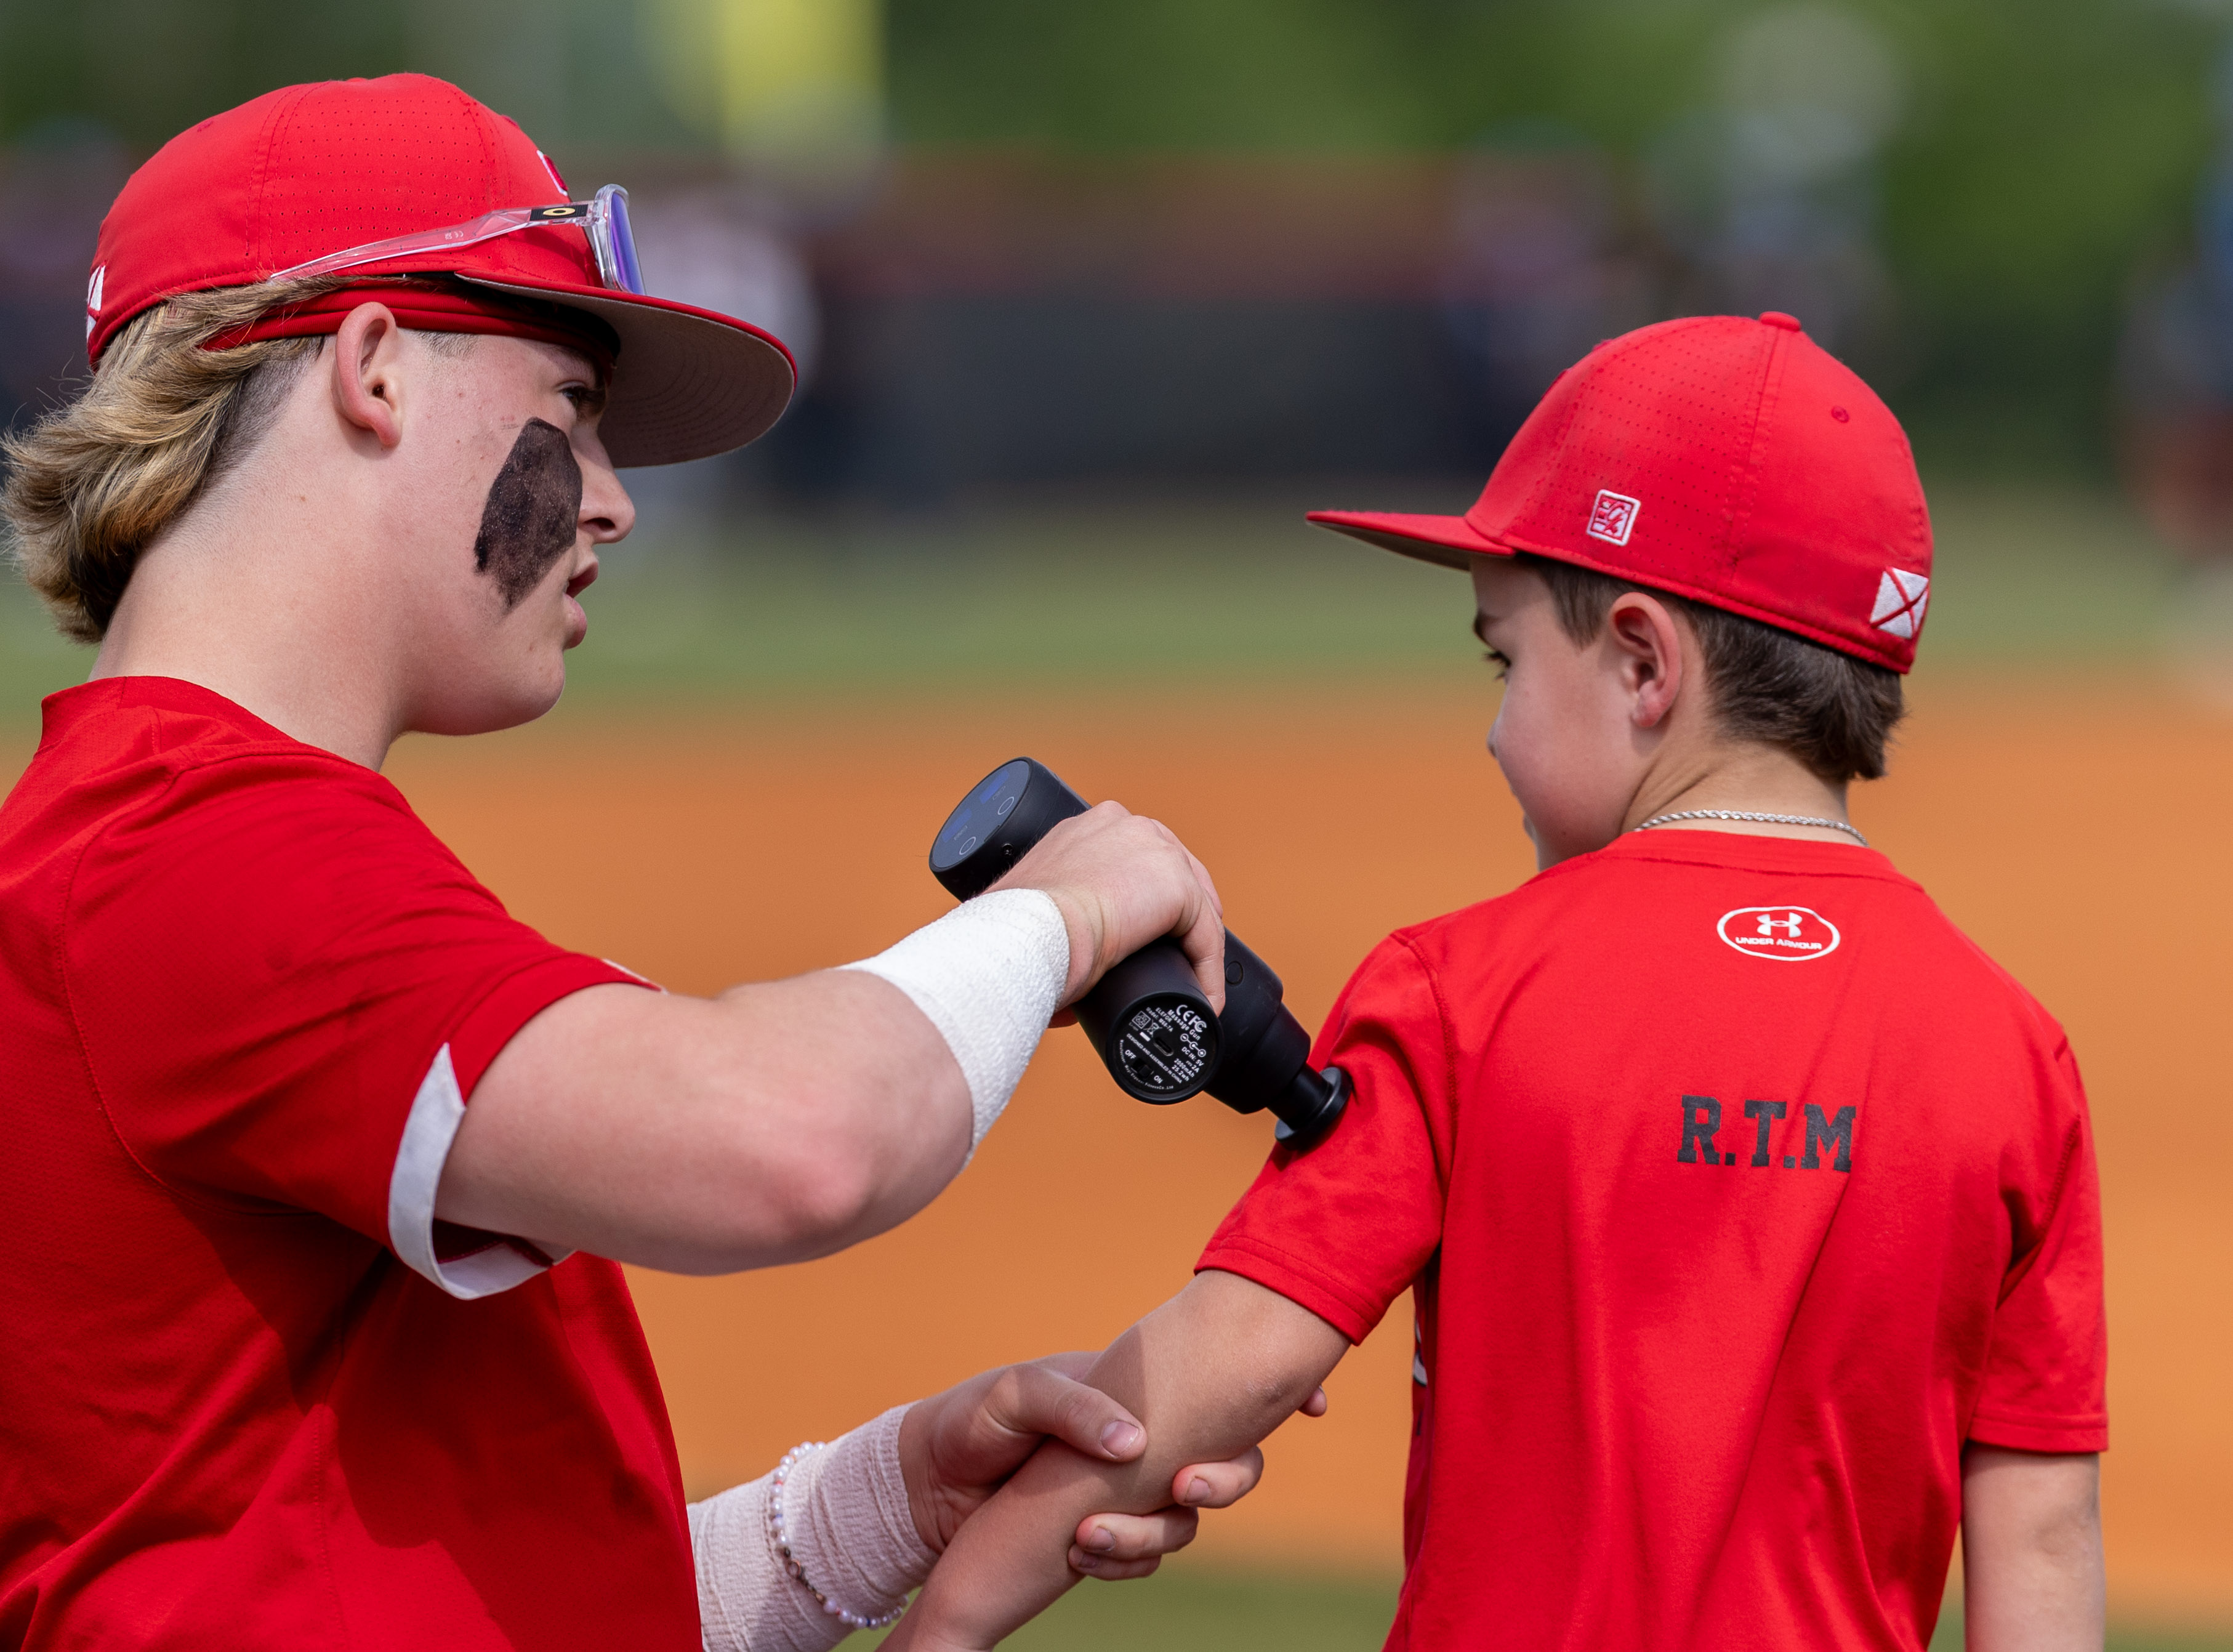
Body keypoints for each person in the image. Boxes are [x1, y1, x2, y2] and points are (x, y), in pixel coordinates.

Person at [0, 75, 1310, 1651]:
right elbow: (793, 1140)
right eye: (570, 410)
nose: (612, 501)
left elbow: (400, 1568)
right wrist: (1064, 915)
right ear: (374, 368)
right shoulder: (185, 851)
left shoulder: (174, 837)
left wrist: (863, 1516)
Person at [877, 313, 2108, 1652]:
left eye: (1504, 658)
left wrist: (947, 1620)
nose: (1491, 723)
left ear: (1643, 663)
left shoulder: (1461, 989)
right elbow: (2038, 1534)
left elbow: (1235, 1364)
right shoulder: (2008, 1050)